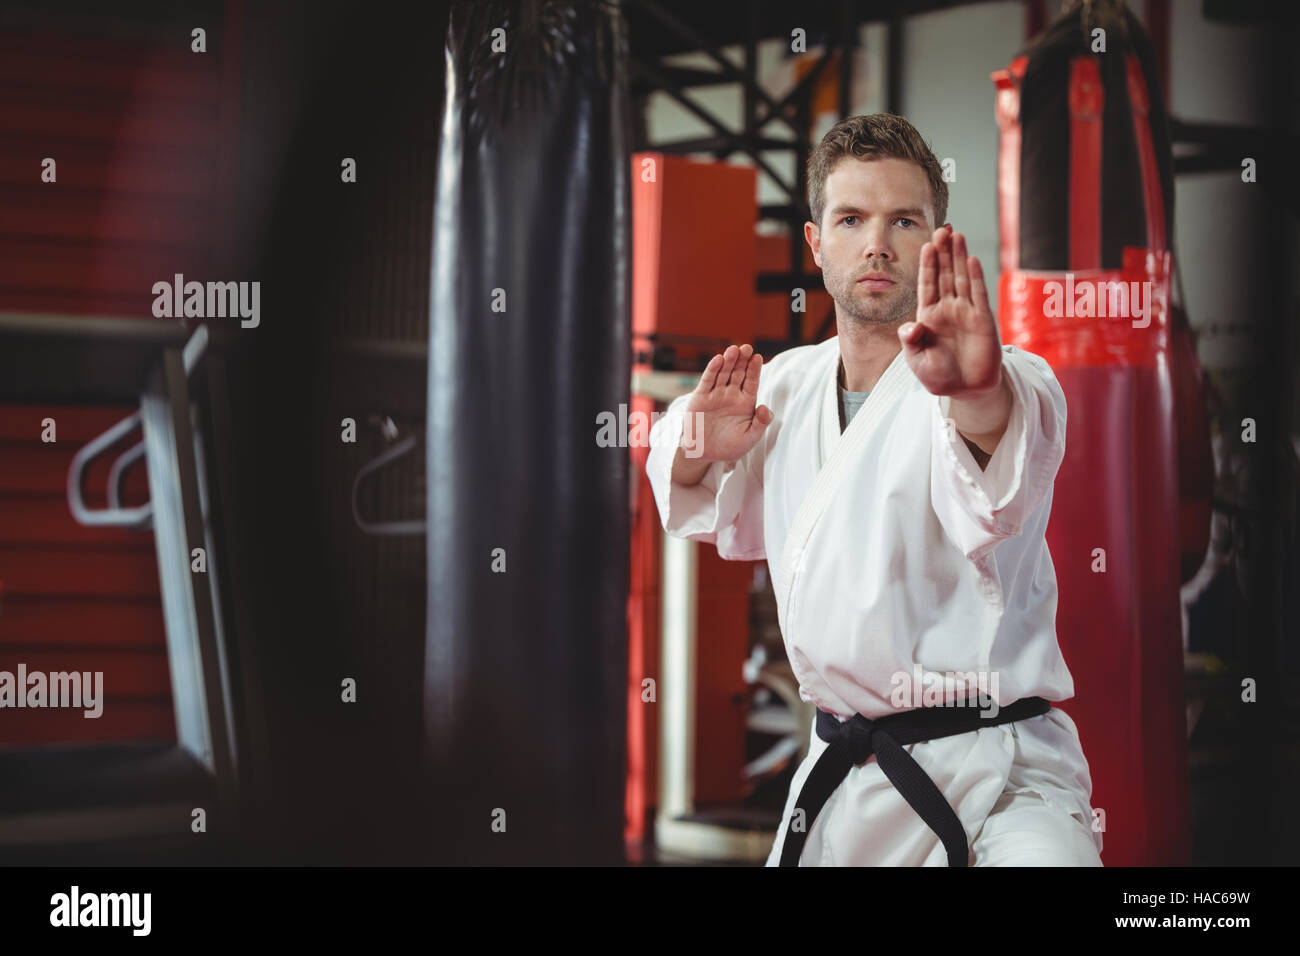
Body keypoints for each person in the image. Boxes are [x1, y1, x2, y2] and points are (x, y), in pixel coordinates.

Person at [645, 113, 1103, 866]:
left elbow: (998, 462)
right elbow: (684, 486)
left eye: (905, 220)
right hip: (846, 781)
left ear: (936, 239)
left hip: (998, 778)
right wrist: (701, 440)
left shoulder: (1010, 376)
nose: (877, 243)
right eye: (852, 219)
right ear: (817, 243)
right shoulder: (783, 388)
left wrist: (977, 391)